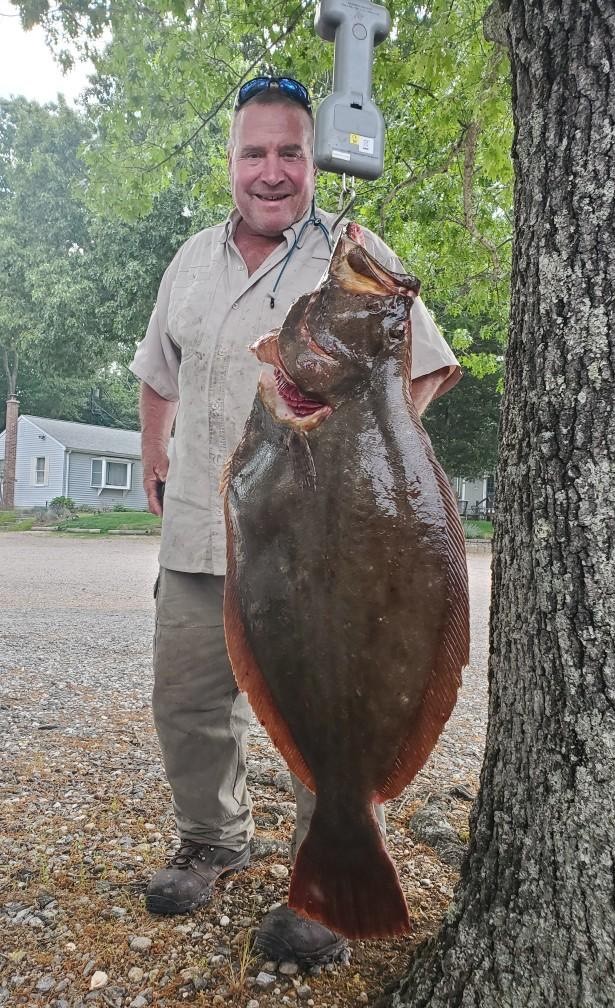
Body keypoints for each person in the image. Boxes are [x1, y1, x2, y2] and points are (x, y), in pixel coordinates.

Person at [130, 75, 461, 966]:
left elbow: (424, 366)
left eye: (289, 152)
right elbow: (156, 369)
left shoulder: (353, 255)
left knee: (332, 697)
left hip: (325, 549)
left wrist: (363, 467)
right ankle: (214, 840)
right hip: (202, 526)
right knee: (189, 702)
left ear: (311, 159)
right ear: (231, 162)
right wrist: (154, 450)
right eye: (254, 153)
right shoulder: (190, 262)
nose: (271, 171)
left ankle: (330, 877)